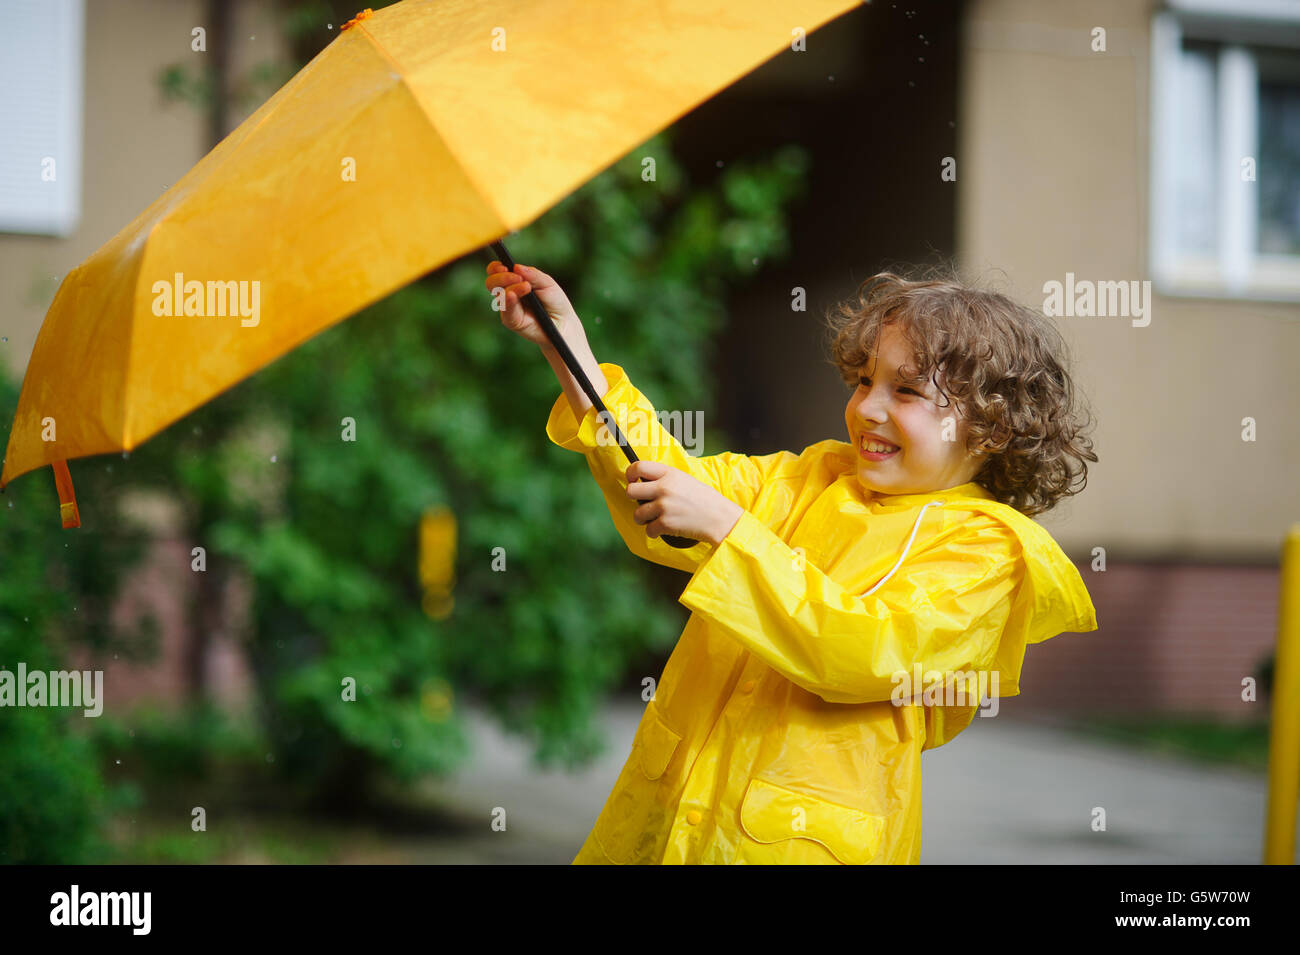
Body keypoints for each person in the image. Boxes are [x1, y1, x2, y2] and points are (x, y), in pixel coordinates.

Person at [484, 260, 1099, 865]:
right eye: (864, 380)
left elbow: (864, 650)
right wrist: (570, 353)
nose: (867, 409)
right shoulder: (809, 478)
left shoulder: (988, 550)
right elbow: (663, 482)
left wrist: (728, 528)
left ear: (991, 428)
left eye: (906, 390)